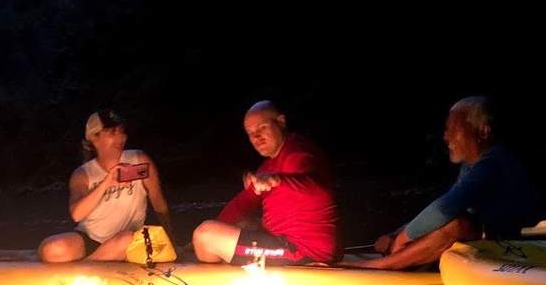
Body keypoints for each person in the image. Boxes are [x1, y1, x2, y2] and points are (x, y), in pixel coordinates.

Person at [349, 97, 542, 270]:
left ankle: (385, 264)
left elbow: (445, 208)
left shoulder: (494, 162)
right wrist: (395, 234)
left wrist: (402, 238)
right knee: (454, 222)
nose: (446, 136)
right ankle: (398, 259)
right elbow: (440, 211)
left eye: (453, 129)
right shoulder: (470, 165)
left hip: (518, 247)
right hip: (489, 241)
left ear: (483, 131)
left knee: (460, 225)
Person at [191, 101, 341, 264]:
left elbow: (318, 189)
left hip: (303, 252)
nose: (256, 137)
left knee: (204, 235)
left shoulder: (299, 152)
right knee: (237, 224)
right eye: (250, 133)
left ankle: (215, 273)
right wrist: (198, 239)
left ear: (281, 122)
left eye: (262, 128)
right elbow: (241, 204)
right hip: (281, 242)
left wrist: (277, 180)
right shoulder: (267, 168)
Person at [38, 109, 176, 262]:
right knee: (50, 249)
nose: (120, 137)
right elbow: (77, 214)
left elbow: (159, 203)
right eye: (112, 132)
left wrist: (171, 239)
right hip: (90, 238)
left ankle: (86, 266)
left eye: (121, 131)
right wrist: (107, 183)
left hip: (126, 240)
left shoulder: (139, 160)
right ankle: (97, 261)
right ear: (94, 138)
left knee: (126, 239)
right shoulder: (82, 174)